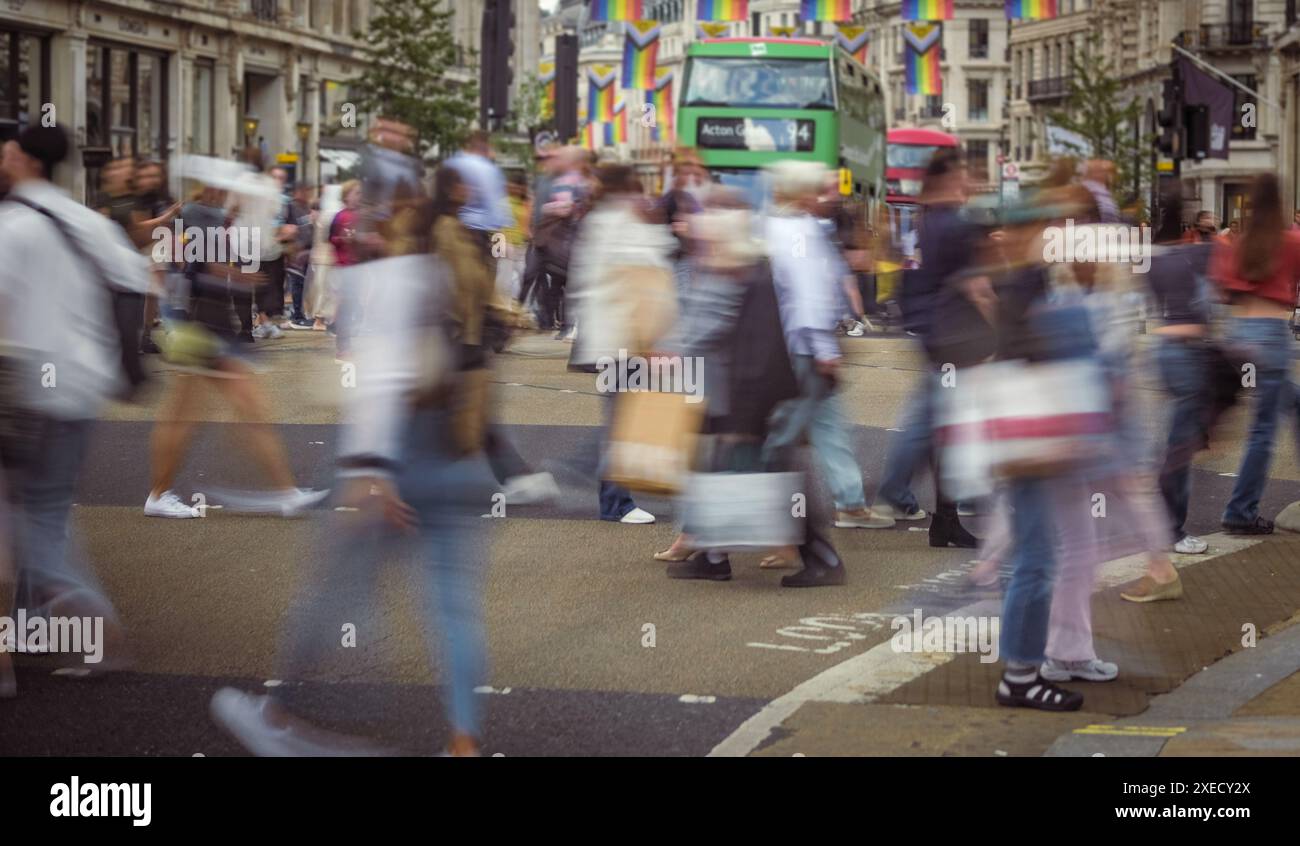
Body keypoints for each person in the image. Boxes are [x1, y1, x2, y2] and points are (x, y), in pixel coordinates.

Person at [211, 156, 497, 757]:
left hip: (397, 458)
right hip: (460, 452)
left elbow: (381, 378)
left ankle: (281, 711)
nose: (362, 222)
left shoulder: (390, 278)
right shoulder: (459, 264)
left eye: (369, 207)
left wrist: (369, 470)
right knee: (453, 607)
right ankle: (464, 740)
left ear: (386, 210)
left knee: (333, 585)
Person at [0, 124, 138, 675]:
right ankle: (35, 635)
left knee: (28, 526)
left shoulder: (13, 226)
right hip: (83, 386)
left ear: (25, 159)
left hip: (25, 387)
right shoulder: (85, 219)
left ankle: (99, 627)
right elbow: (137, 278)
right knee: (48, 514)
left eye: (8, 148)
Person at [143, 166, 328, 519]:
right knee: (206, 415)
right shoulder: (202, 215)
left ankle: (284, 492)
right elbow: (198, 266)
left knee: (216, 413)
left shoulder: (209, 216)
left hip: (205, 327)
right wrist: (242, 275)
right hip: (199, 328)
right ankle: (160, 495)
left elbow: (179, 260)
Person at [762, 160, 894, 534]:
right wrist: (825, 349)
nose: (828, 196)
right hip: (802, 349)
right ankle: (753, 512)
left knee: (829, 425)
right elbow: (807, 295)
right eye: (819, 190)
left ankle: (850, 501)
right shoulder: (796, 230)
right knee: (778, 439)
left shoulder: (780, 226)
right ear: (802, 194)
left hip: (796, 346)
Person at [875, 149, 979, 546]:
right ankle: (898, 493)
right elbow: (975, 286)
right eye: (963, 177)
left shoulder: (924, 221)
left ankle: (944, 516)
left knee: (939, 424)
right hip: (951, 336)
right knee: (932, 423)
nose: (968, 184)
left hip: (930, 330)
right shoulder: (953, 224)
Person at [568, 163, 672, 525]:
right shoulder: (626, 224)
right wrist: (651, 340)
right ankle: (614, 501)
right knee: (623, 421)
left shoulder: (598, 221)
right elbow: (643, 285)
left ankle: (605, 490)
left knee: (620, 417)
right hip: (625, 340)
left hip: (608, 338)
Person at [1211, 174, 1300, 534]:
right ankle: (1240, 510)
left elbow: (1221, 290)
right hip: (1270, 335)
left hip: (1238, 334)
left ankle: (1240, 506)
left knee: (1292, 404)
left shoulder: (1238, 244)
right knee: (1263, 430)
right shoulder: (1290, 241)